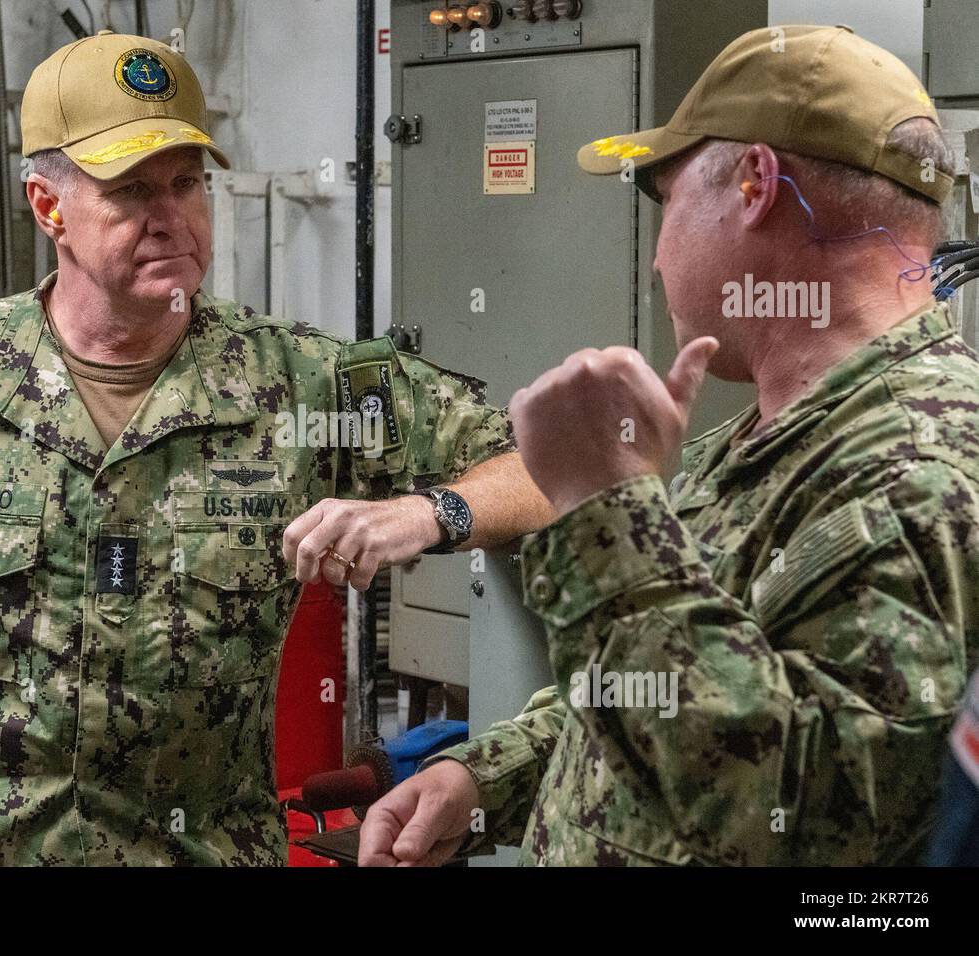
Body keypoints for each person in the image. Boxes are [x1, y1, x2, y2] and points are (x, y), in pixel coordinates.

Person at [0, 32, 553, 866]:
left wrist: (431, 512)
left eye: (187, 184)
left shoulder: (304, 384)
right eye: (131, 191)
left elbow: (553, 463)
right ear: (48, 205)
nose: (173, 217)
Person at [359, 24, 978, 867]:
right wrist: (489, 775)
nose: (656, 256)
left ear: (756, 183)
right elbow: (683, 682)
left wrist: (606, 516)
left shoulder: (918, 471)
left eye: (668, 200)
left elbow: (800, 820)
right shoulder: (776, 436)